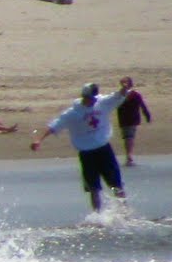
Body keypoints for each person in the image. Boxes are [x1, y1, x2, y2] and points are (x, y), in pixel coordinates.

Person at [31, 81, 129, 211]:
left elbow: (117, 96)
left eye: (95, 97)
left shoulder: (102, 102)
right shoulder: (73, 113)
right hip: (87, 153)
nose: (94, 100)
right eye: (91, 98)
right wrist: (39, 140)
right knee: (94, 188)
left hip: (104, 149)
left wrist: (124, 88)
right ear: (85, 97)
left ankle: (125, 213)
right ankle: (97, 215)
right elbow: (54, 126)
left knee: (116, 185)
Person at [115, 76, 153, 166]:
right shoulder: (119, 94)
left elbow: (142, 105)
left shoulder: (134, 94)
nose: (124, 84)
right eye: (122, 83)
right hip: (125, 119)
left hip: (130, 119)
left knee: (128, 137)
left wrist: (147, 115)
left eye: (125, 82)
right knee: (127, 137)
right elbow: (113, 104)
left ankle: (129, 156)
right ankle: (129, 156)